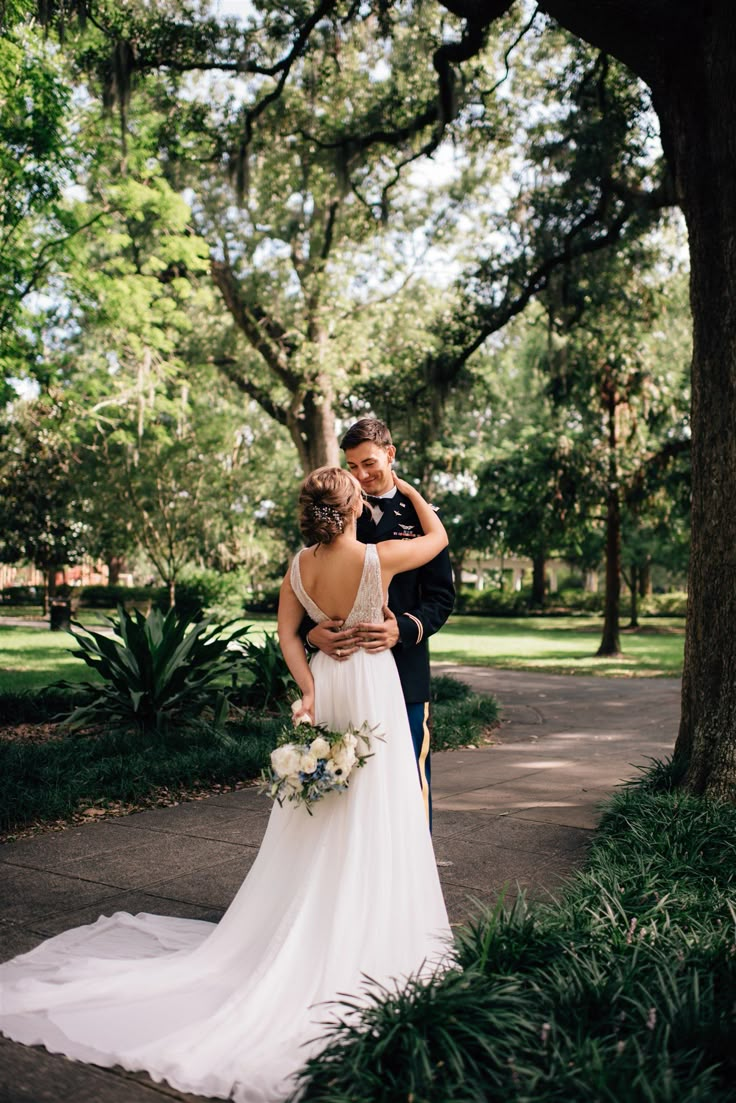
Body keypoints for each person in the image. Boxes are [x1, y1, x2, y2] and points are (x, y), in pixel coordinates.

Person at [0, 467, 453, 1103]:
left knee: (322, 807)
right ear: (355, 508)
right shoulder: (378, 555)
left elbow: (288, 637)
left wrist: (308, 688)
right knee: (374, 803)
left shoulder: (298, 568)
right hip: (374, 686)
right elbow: (436, 537)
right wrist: (405, 490)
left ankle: (312, 918)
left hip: (330, 688)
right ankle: (366, 926)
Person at [303, 418, 455, 828]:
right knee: (347, 775)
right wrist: (310, 632)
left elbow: (441, 598)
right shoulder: (337, 512)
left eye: (368, 463)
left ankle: (414, 862)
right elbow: (308, 585)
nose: (361, 475)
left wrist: (401, 629)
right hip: (345, 674)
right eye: (352, 466)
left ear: (390, 453)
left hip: (404, 671)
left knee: (409, 770)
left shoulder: (424, 517)